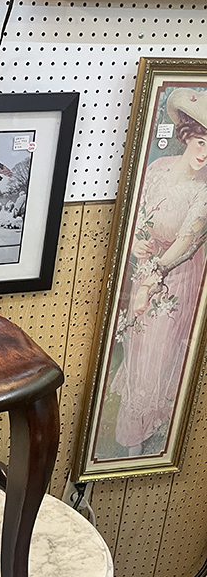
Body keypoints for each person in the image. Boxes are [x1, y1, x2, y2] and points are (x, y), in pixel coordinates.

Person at [111, 87, 207, 457]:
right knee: (137, 351)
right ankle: (130, 445)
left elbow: (186, 243)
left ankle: (143, 444)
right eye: (200, 141)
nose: (204, 154)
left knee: (159, 356)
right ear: (186, 137)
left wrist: (154, 271)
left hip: (177, 282)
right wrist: (136, 243)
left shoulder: (203, 191)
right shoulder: (158, 169)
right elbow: (140, 218)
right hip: (145, 273)